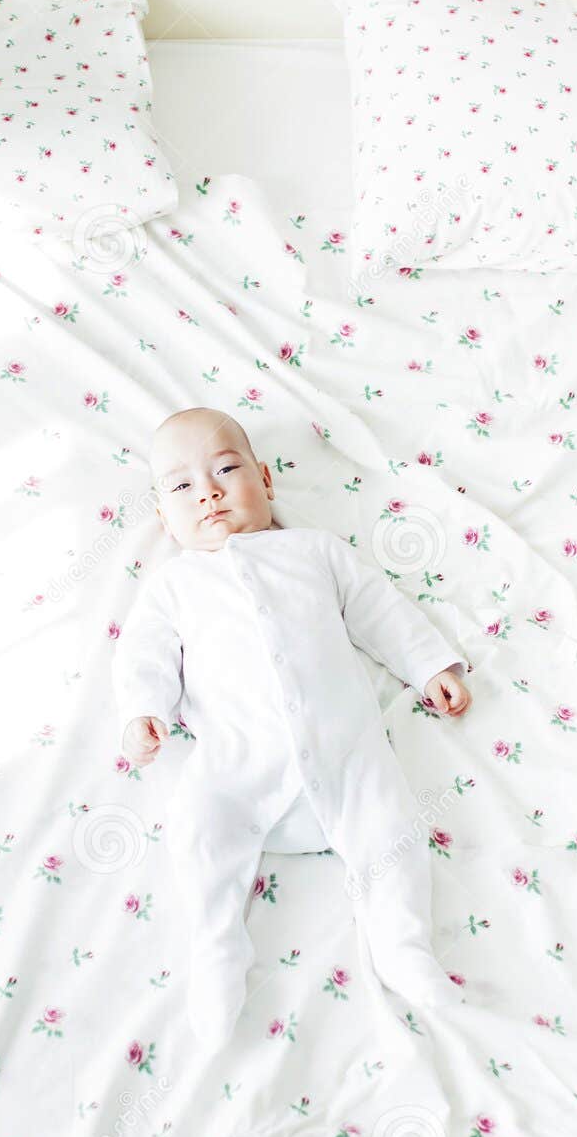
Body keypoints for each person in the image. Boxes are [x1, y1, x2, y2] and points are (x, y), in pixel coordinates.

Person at [113, 406, 472, 1046]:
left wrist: (428, 664)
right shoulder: (174, 585)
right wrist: (144, 711)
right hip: (236, 766)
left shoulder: (315, 551)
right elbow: (145, 653)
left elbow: (379, 610)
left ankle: (403, 948)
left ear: (267, 480)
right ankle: (216, 950)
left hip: (346, 756)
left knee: (392, 830)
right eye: (183, 487)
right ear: (163, 515)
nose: (210, 492)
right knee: (196, 827)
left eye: (226, 469)